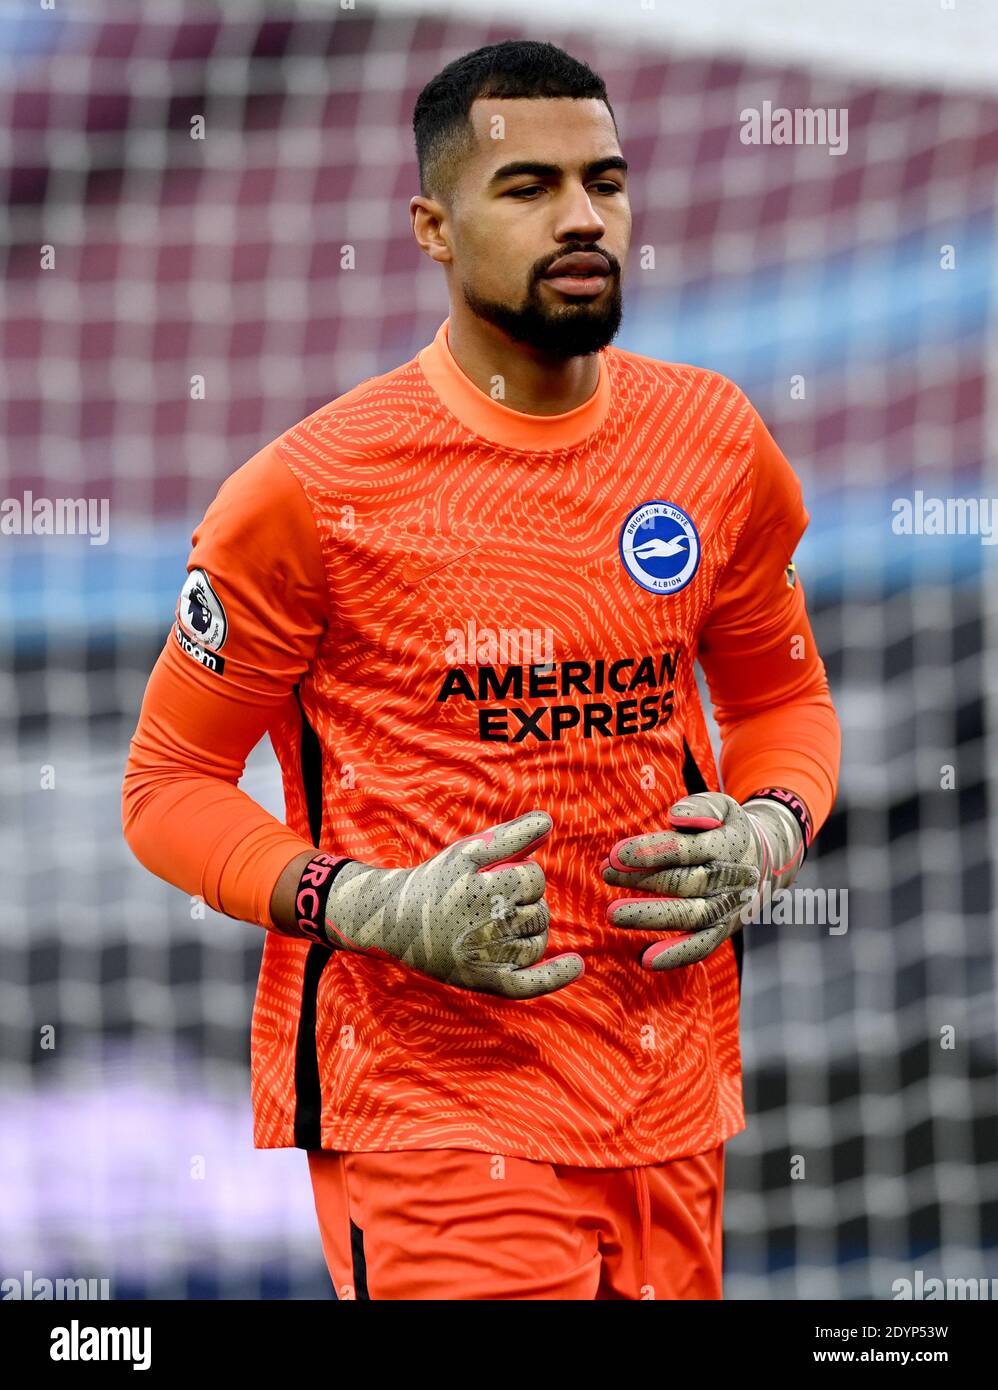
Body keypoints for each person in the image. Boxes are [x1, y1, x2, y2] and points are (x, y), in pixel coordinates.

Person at [122, 39, 840, 1300]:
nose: (583, 217)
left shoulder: (714, 441)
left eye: (604, 182)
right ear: (433, 229)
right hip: (429, 1112)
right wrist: (372, 906)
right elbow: (165, 787)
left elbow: (780, 700)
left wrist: (771, 826)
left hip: (666, 1094)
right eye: (528, 187)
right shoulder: (307, 492)